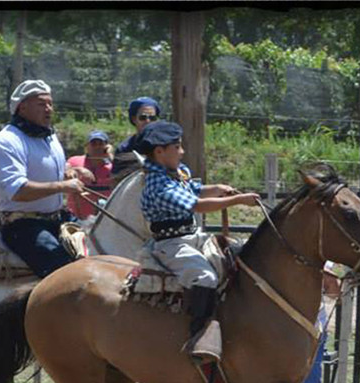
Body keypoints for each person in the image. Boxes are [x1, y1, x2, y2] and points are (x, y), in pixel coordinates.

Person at [136, 120, 260, 362]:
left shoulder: (174, 174)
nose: (182, 152)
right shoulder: (157, 184)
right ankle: (198, 337)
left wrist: (219, 188)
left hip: (192, 236)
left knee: (235, 255)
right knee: (205, 277)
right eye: (177, 147)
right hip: (171, 245)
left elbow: (195, 190)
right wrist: (238, 201)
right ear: (160, 152)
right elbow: (196, 204)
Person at [0, 79, 85, 278]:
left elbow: (44, 167)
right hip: (22, 226)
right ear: (22, 107)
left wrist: (67, 172)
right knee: (62, 273)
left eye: (50, 103)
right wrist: (63, 185)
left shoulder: (49, 137)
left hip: (57, 218)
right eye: (41, 104)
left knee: (97, 249)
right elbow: (18, 191)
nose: (49, 109)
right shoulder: (5, 142)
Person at [111, 96, 161, 185]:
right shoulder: (124, 148)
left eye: (152, 118)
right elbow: (117, 181)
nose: (148, 121)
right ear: (134, 119)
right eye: (143, 117)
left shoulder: (165, 145)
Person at [66, 129, 114, 221]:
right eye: (93, 144)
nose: (97, 147)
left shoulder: (113, 167)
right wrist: (77, 170)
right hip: (76, 219)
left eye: (100, 144)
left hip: (105, 221)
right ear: (87, 147)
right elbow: (60, 174)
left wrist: (110, 155)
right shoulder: (74, 161)